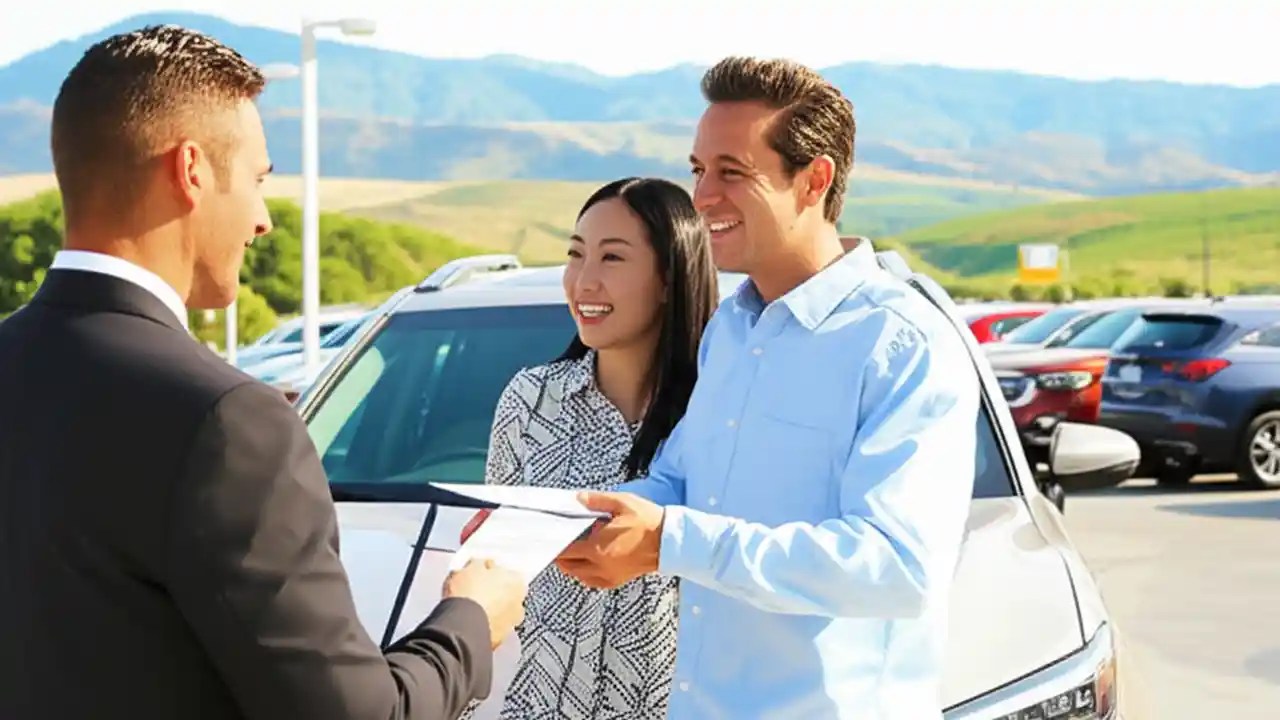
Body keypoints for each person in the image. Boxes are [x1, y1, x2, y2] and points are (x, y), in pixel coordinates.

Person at [0, 25, 526, 720]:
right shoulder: (223, 420)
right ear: (191, 171)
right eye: (256, 180)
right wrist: (469, 623)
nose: (261, 221)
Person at [555, 57, 982, 719]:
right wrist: (570, 521)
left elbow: (897, 567)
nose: (701, 199)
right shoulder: (730, 328)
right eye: (699, 170)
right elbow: (680, 480)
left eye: (733, 172)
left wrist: (670, 538)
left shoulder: (902, 345)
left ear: (814, 181)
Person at [458, 177, 719, 719]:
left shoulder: (719, 414)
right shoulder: (529, 401)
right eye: (575, 255)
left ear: (671, 278)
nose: (584, 281)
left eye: (612, 258)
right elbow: (502, 574)